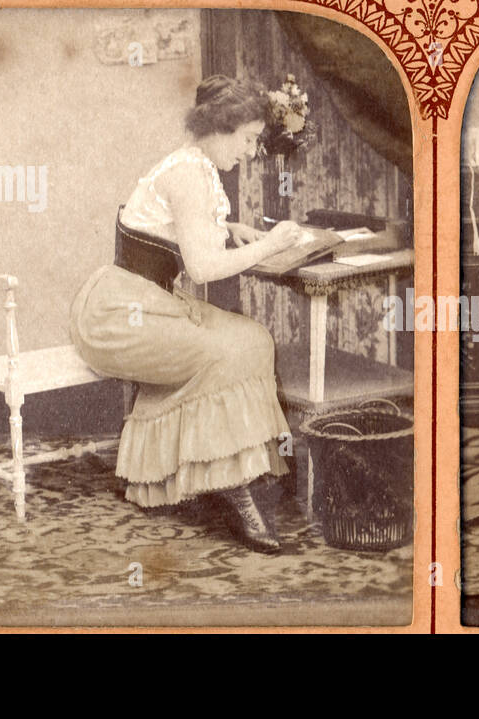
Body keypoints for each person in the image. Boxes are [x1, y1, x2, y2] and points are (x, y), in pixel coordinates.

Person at [69, 75, 308, 554]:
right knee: (225, 354)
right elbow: (202, 269)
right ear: (221, 128)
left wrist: (231, 228)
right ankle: (231, 491)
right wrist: (269, 244)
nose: (249, 152)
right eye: (246, 140)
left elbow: (177, 229)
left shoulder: (194, 165)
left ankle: (200, 471)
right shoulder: (188, 175)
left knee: (254, 338)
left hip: (146, 302)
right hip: (117, 316)